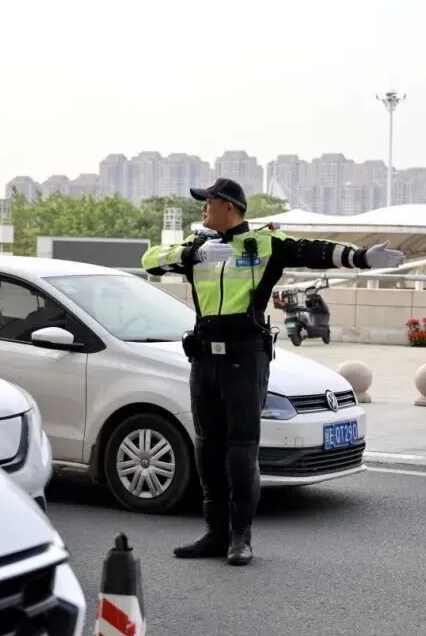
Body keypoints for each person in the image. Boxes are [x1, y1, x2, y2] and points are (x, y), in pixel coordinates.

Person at [141, 178, 405, 566]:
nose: (203, 208)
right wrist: (191, 250)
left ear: (228, 206)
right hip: (204, 360)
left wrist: (363, 258)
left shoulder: (264, 244)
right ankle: (215, 533)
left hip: (244, 361)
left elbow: (314, 251)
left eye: (208, 202)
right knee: (207, 450)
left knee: (241, 452)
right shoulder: (197, 248)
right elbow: (149, 261)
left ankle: (241, 537)